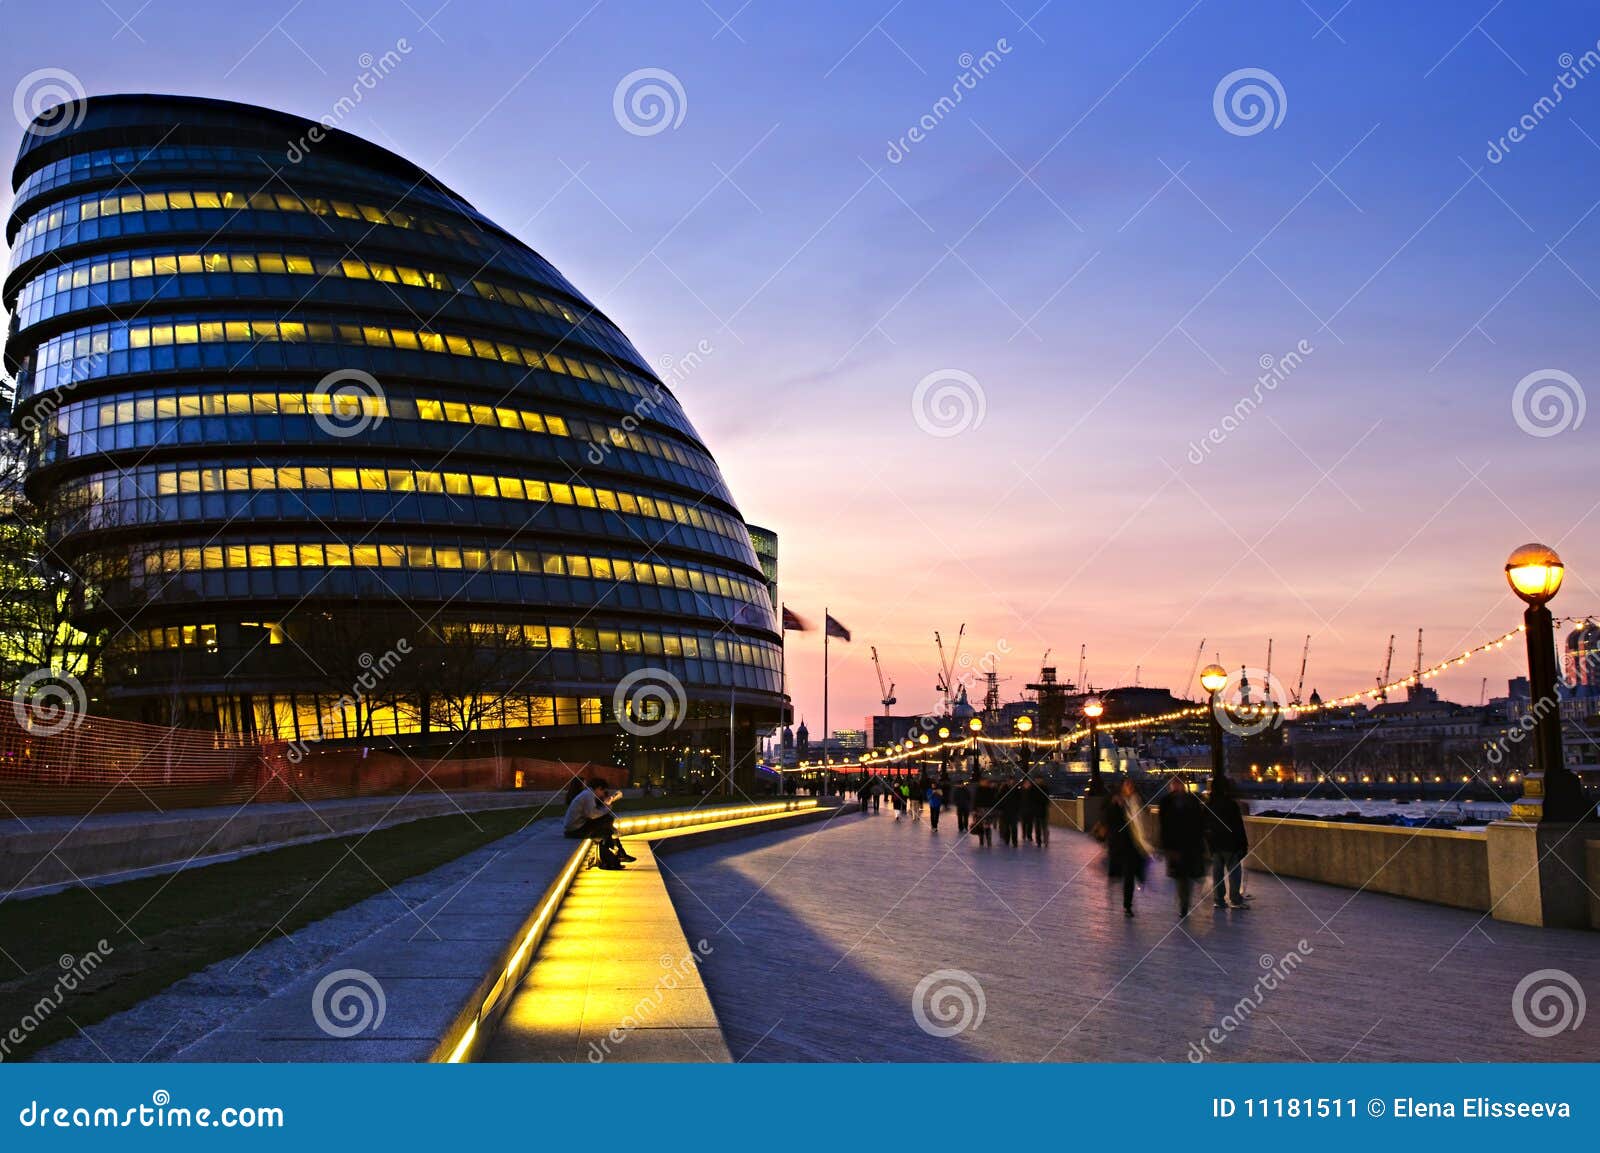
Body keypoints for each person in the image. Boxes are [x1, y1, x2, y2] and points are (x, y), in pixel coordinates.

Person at [1099, 778, 1150, 917]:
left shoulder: (1138, 800)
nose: (1129, 787)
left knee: (1129, 875)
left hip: (1135, 844)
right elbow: (1108, 818)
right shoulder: (1115, 801)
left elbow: (1145, 817)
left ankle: (1128, 904)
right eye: (1127, 785)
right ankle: (1127, 903)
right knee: (1127, 873)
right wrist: (1116, 806)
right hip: (1121, 842)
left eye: (1131, 785)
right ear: (1122, 787)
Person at [1159, 778, 1208, 917]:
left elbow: (1163, 825)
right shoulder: (1190, 800)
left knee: (1182, 876)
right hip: (1182, 845)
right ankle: (1184, 902)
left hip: (1185, 844)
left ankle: (1184, 902)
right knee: (1183, 876)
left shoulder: (1166, 802)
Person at [563, 778, 635, 869]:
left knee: (606, 827)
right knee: (606, 824)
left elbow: (592, 814)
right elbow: (592, 815)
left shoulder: (588, 794)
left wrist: (605, 806)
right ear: (598, 788)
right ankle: (615, 856)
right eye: (602, 791)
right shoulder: (588, 795)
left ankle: (614, 856)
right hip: (574, 830)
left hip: (576, 827)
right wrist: (607, 808)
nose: (602, 794)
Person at [1205, 777, 1250, 909]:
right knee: (1234, 872)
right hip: (1230, 844)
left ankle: (1219, 900)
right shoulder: (1231, 805)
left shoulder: (1209, 805)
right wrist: (1243, 844)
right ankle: (1235, 899)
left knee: (1217, 872)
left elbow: (1204, 825)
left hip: (1215, 844)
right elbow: (1238, 826)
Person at [971, 773, 995, 847]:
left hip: (987, 809)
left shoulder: (990, 790)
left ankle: (988, 841)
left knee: (987, 826)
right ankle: (981, 840)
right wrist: (974, 809)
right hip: (980, 810)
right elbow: (975, 800)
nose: (983, 783)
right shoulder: (979, 790)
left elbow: (993, 800)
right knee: (980, 826)